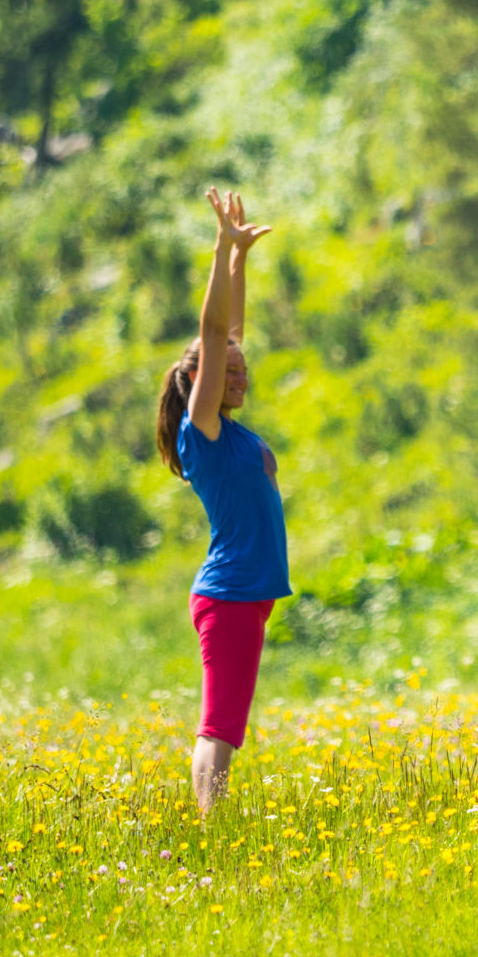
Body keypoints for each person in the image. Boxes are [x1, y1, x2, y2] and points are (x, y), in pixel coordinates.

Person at [155, 189, 287, 811]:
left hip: (246, 594)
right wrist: (218, 249)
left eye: (242, 370)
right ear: (196, 381)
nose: (239, 376)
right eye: (225, 372)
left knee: (228, 723)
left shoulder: (229, 430)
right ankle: (211, 828)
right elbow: (213, 332)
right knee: (220, 725)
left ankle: (214, 821)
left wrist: (239, 262)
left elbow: (229, 330)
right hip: (229, 594)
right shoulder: (202, 430)